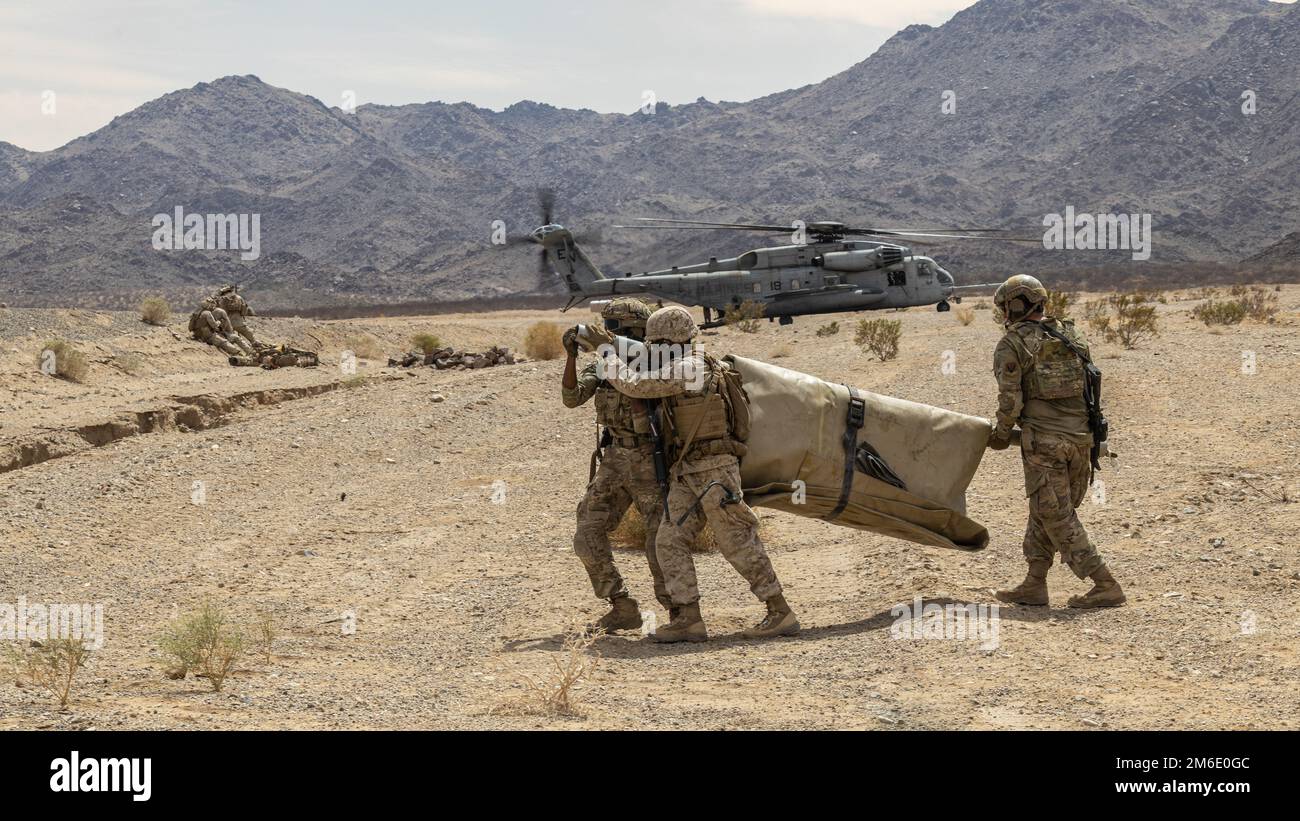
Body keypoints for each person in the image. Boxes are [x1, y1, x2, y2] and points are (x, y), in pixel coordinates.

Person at [598, 305, 798, 642]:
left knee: (736, 539)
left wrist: (608, 355)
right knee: (669, 539)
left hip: (714, 470)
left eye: (657, 343)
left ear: (672, 342)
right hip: (688, 469)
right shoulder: (684, 363)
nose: (653, 350)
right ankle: (688, 618)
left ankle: (780, 611)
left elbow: (636, 386)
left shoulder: (692, 367)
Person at [987, 275, 1125, 608]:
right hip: (1082, 443)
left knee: (1056, 515)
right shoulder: (1071, 335)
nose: (1005, 313)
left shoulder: (1013, 344)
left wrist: (1000, 435)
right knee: (1044, 511)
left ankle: (1105, 583)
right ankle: (1034, 584)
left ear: (1016, 305)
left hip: (1046, 445)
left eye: (1006, 306)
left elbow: (1010, 400)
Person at [561, 298, 671, 634]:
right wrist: (571, 356)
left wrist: (611, 348)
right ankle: (621, 605)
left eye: (615, 327)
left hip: (650, 460)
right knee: (587, 532)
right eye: (607, 327)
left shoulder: (657, 361)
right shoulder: (603, 365)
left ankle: (679, 611)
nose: (608, 333)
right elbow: (571, 398)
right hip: (616, 460)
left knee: (659, 541)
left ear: (636, 330)